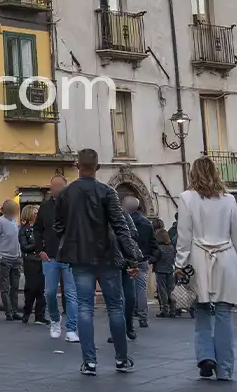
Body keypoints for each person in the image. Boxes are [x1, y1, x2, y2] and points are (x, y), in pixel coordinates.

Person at [52, 148, 143, 375]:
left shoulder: (65, 194)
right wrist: (132, 257)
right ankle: (121, 359)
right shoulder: (107, 192)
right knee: (115, 307)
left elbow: (58, 226)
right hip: (107, 256)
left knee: (84, 308)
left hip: (80, 257)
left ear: (77, 166)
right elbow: (120, 226)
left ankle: (90, 362)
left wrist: (69, 239)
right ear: (97, 167)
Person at [175, 157, 237, 381]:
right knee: (224, 313)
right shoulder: (229, 200)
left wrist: (180, 264)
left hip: (198, 257)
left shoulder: (187, 198)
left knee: (202, 310)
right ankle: (225, 367)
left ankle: (206, 356)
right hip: (225, 256)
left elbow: (184, 235)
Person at [35, 175, 78, 342]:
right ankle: (55, 319)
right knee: (50, 292)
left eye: (60, 186)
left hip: (70, 256)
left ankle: (71, 329)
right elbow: (37, 229)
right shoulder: (45, 207)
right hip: (50, 256)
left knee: (71, 293)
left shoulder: (74, 206)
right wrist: (40, 250)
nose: (57, 189)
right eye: (54, 186)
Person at [122, 195, 156, 330]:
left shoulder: (122, 220)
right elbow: (153, 243)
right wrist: (149, 257)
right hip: (142, 260)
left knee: (124, 289)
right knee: (141, 289)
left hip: (126, 259)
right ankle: (143, 317)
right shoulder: (147, 223)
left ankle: (126, 317)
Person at [0, 200, 22, 321]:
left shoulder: (13, 220)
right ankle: (9, 311)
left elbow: (16, 239)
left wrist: (19, 253)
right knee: (5, 287)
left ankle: (13, 310)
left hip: (15, 258)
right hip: (5, 258)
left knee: (15, 286)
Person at [18, 205, 46, 324]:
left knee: (41, 289)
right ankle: (27, 311)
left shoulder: (41, 228)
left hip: (41, 260)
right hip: (30, 260)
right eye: (35, 213)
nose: (37, 215)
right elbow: (24, 247)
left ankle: (40, 315)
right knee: (32, 288)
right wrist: (38, 244)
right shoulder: (24, 229)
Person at [153, 227, 177, 317]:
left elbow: (154, 259)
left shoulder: (158, 248)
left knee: (162, 291)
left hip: (160, 270)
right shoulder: (171, 247)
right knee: (171, 290)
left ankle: (165, 309)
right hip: (170, 270)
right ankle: (173, 310)